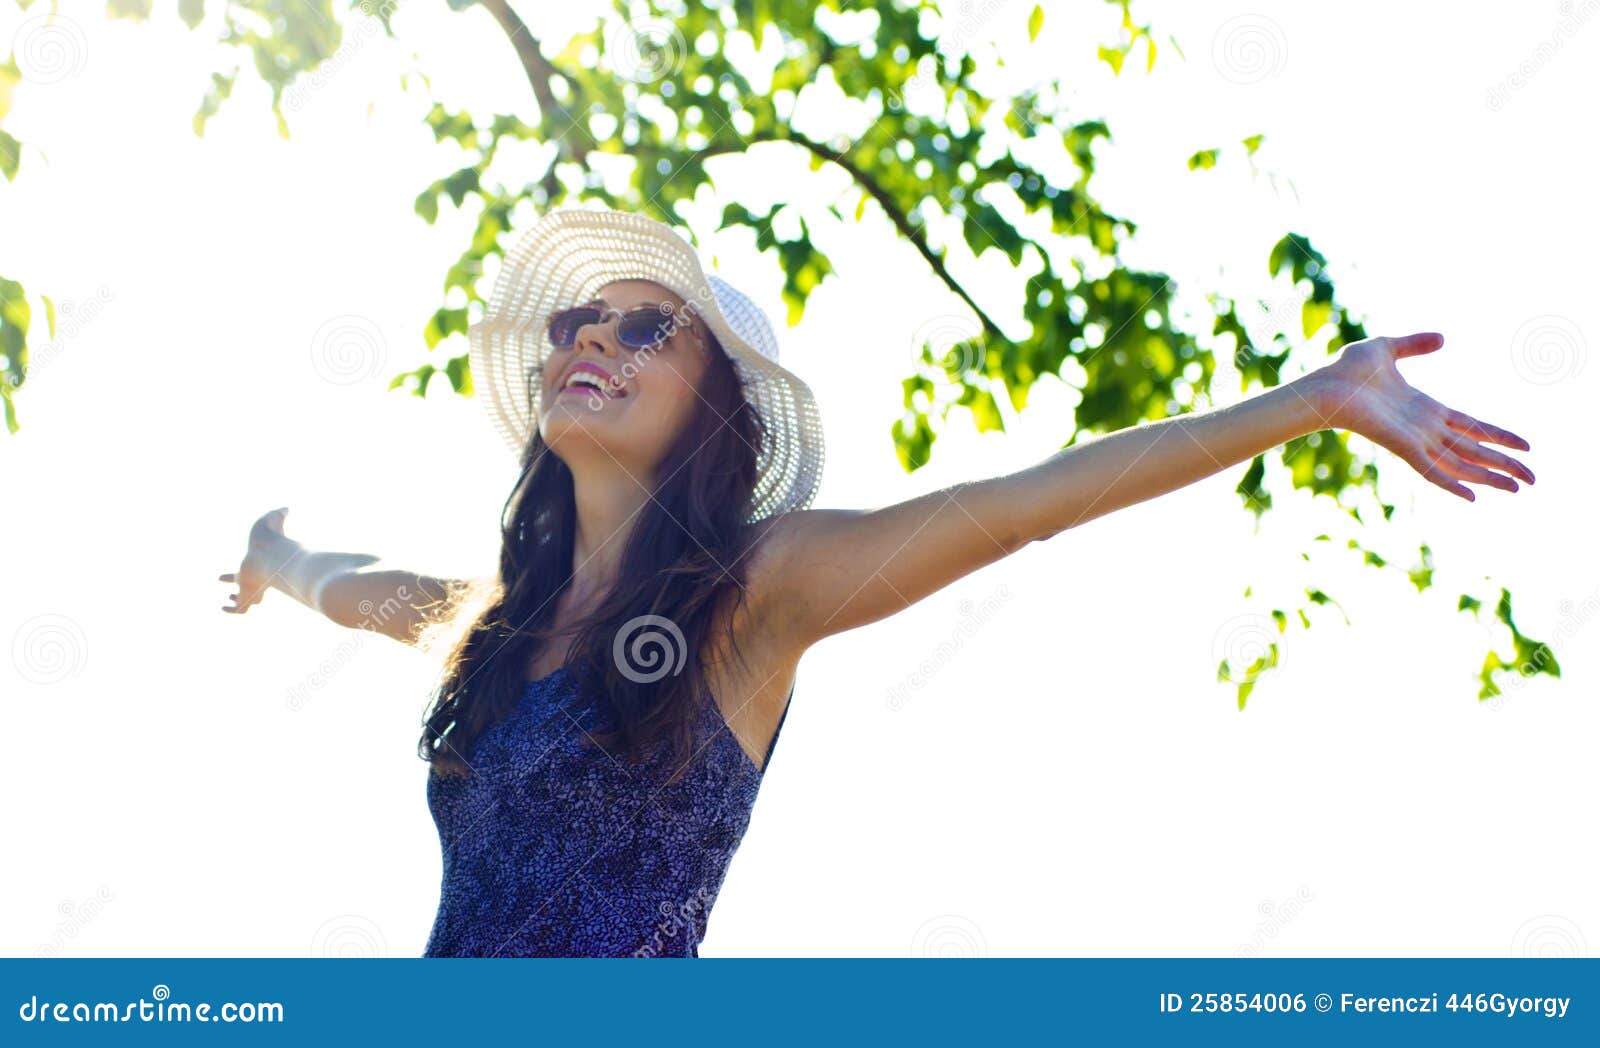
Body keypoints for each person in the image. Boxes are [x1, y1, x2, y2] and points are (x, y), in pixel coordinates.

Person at [217, 206, 1534, 957]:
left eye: (643, 325)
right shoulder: (491, 633)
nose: (593, 340)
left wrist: (1312, 402)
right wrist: (273, 558)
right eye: (576, 321)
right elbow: (356, 583)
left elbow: (1024, 504)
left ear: (715, 411)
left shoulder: (758, 596)